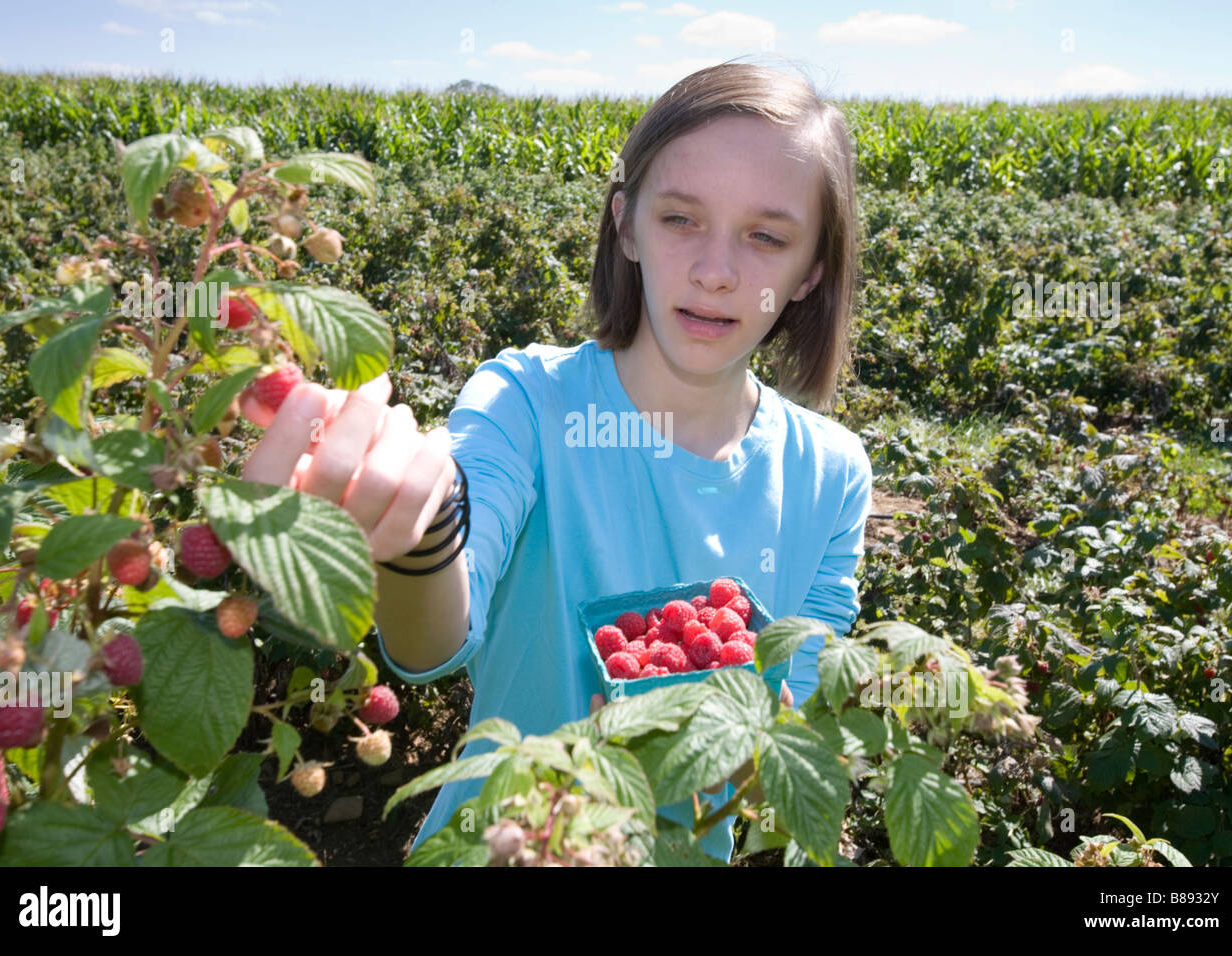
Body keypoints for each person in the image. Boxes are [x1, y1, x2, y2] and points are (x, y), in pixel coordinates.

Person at [239, 59, 872, 864]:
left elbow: (794, 712)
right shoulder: (528, 404)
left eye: (766, 236)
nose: (716, 270)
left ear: (812, 270)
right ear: (627, 226)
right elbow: (436, 642)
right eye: (681, 218)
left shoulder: (833, 474)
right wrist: (420, 530)